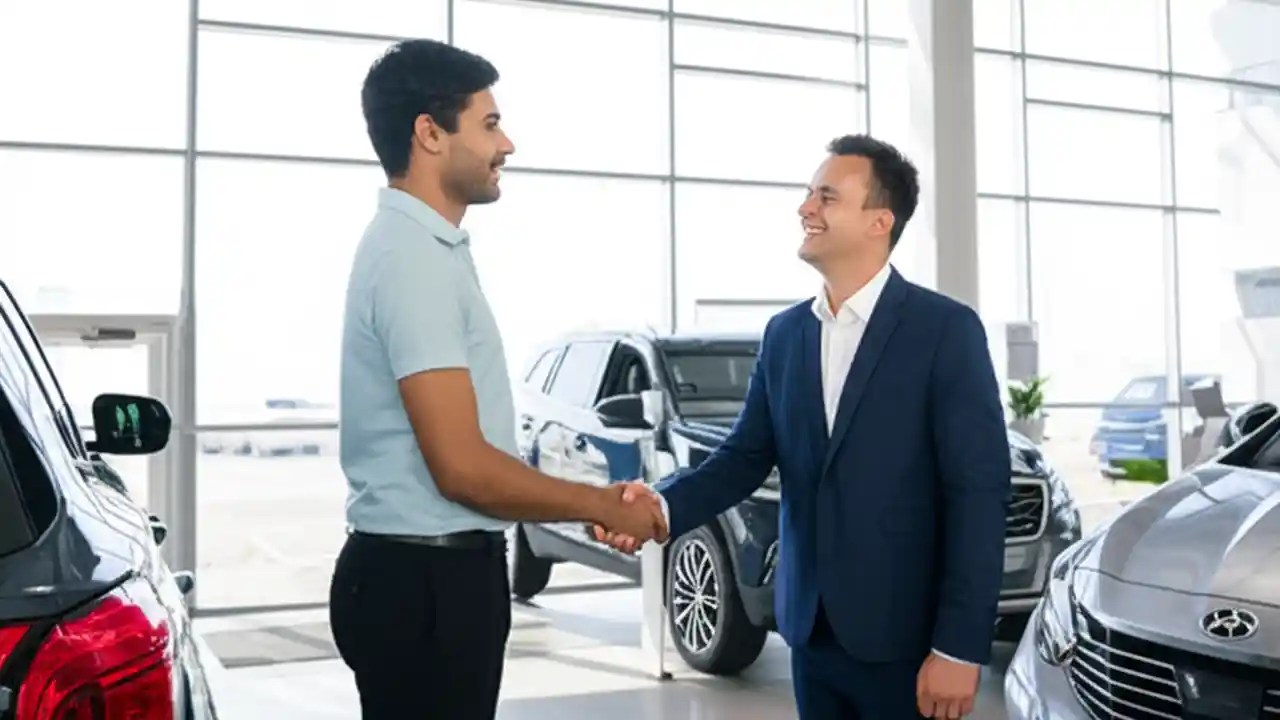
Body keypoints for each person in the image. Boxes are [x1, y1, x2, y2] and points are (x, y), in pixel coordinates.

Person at [597, 135, 1011, 719]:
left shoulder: (945, 330)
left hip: (909, 644)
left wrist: (960, 647)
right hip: (810, 633)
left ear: (879, 221)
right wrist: (657, 511)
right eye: (808, 195)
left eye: (827, 196)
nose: (805, 208)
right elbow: (744, 457)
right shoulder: (785, 334)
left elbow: (978, 494)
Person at [328, 39, 665, 720]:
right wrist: (600, 505)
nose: (505, 143)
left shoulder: (426, 250)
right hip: (423, 583)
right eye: (488, 124)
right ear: (429, 132)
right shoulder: (411, 260)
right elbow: (460, 468)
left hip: (435, 575)